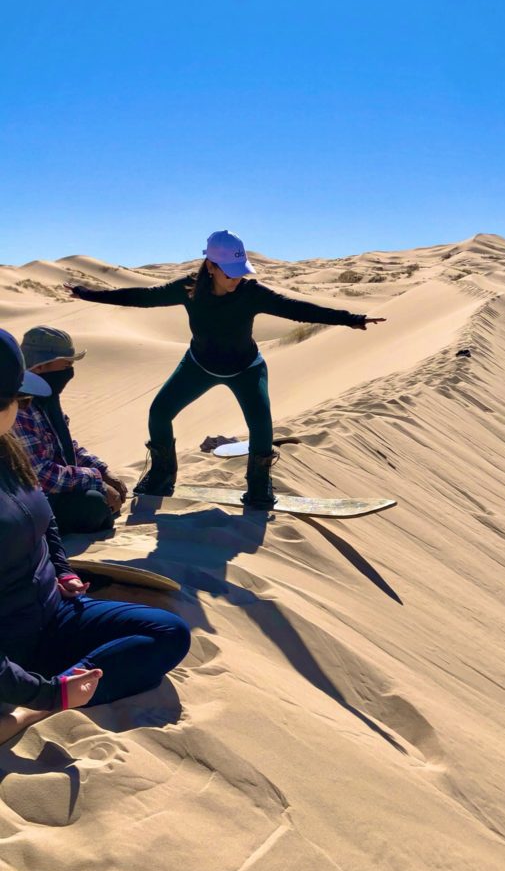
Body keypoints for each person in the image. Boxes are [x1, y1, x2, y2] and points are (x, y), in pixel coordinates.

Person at [66, 229, 386, 507]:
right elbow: (141, 297)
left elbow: (296, 309)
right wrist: (89, 294)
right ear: (211, 266)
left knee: (261, 425)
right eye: (230, 271)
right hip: (199, 365)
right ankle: (163, 473)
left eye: (240, 270)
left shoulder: (250, 293)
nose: (237, 277)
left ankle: (259, 485)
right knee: (159, 412)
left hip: (246, 369)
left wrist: (351, 319)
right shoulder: (189, 289)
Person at [0, 329, 191, 717]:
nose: (23, 407)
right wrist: (48, 697)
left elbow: (44, 520)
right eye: (18, 398)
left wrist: (64, 571)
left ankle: (62, 686)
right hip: (11, 648)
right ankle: (32, 709)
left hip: (55, 613)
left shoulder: (8, 451)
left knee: (169, 632)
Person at [13, 326, 128, 535]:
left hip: (50, 490)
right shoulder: (19, 407)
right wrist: (97, 480)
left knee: (101, 499)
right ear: (40, 367)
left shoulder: (47, 399)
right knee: (92, 506)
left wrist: (103, 471)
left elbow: (65, 446)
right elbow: (40, 474)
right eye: (66, 364)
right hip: (25, 499)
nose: (70, 371)